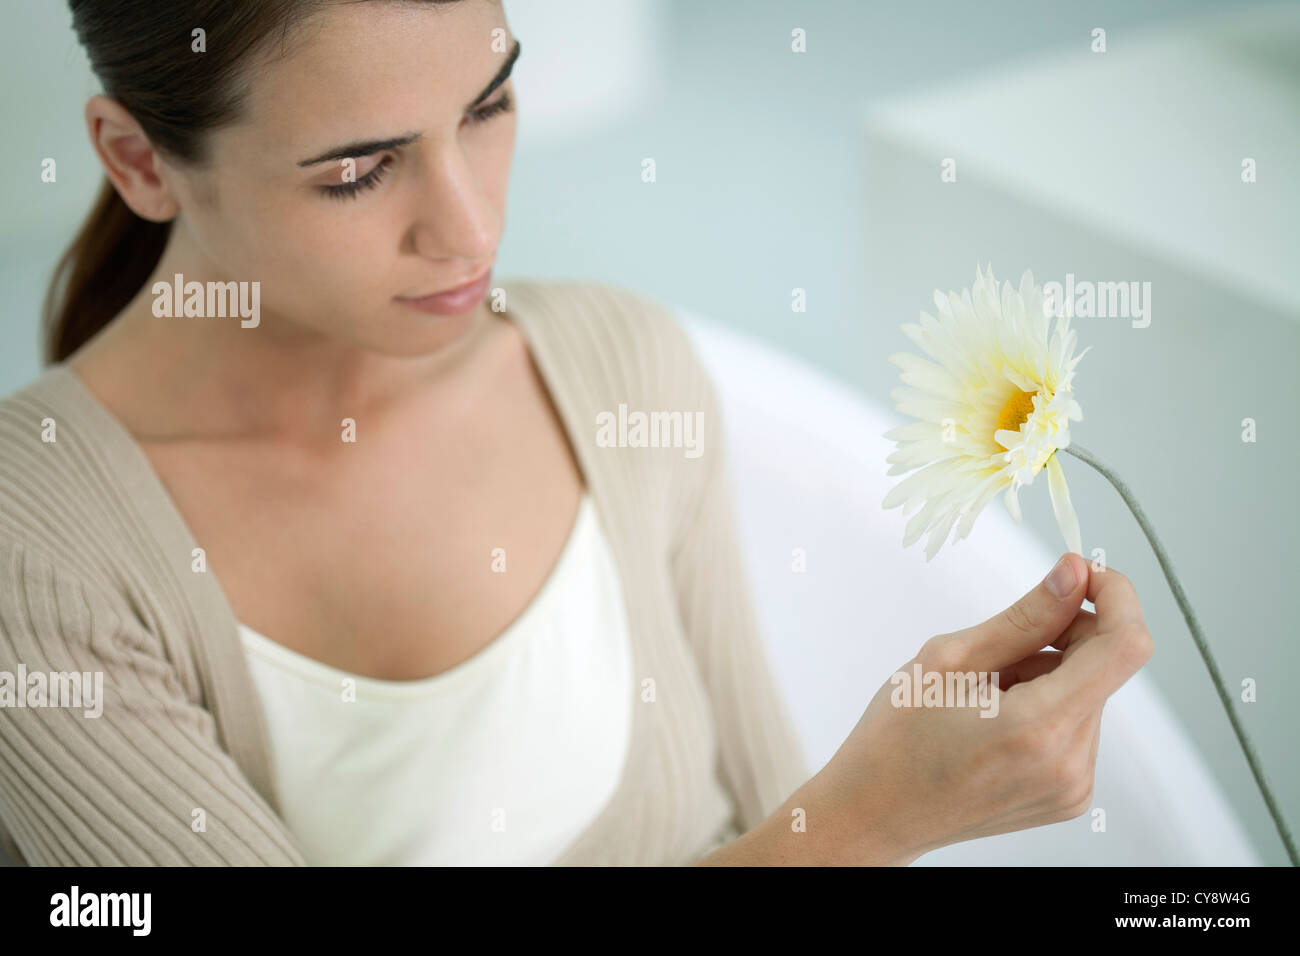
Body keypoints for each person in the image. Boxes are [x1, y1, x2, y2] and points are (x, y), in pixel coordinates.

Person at [0, 0, 1152, 866]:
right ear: (139, 159)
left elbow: (759, 813)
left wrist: (862, 810)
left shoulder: (616, 367)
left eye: (488, 106)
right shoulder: (36, 552)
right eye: (358, 170)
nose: (471, 226)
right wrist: (868, 816)